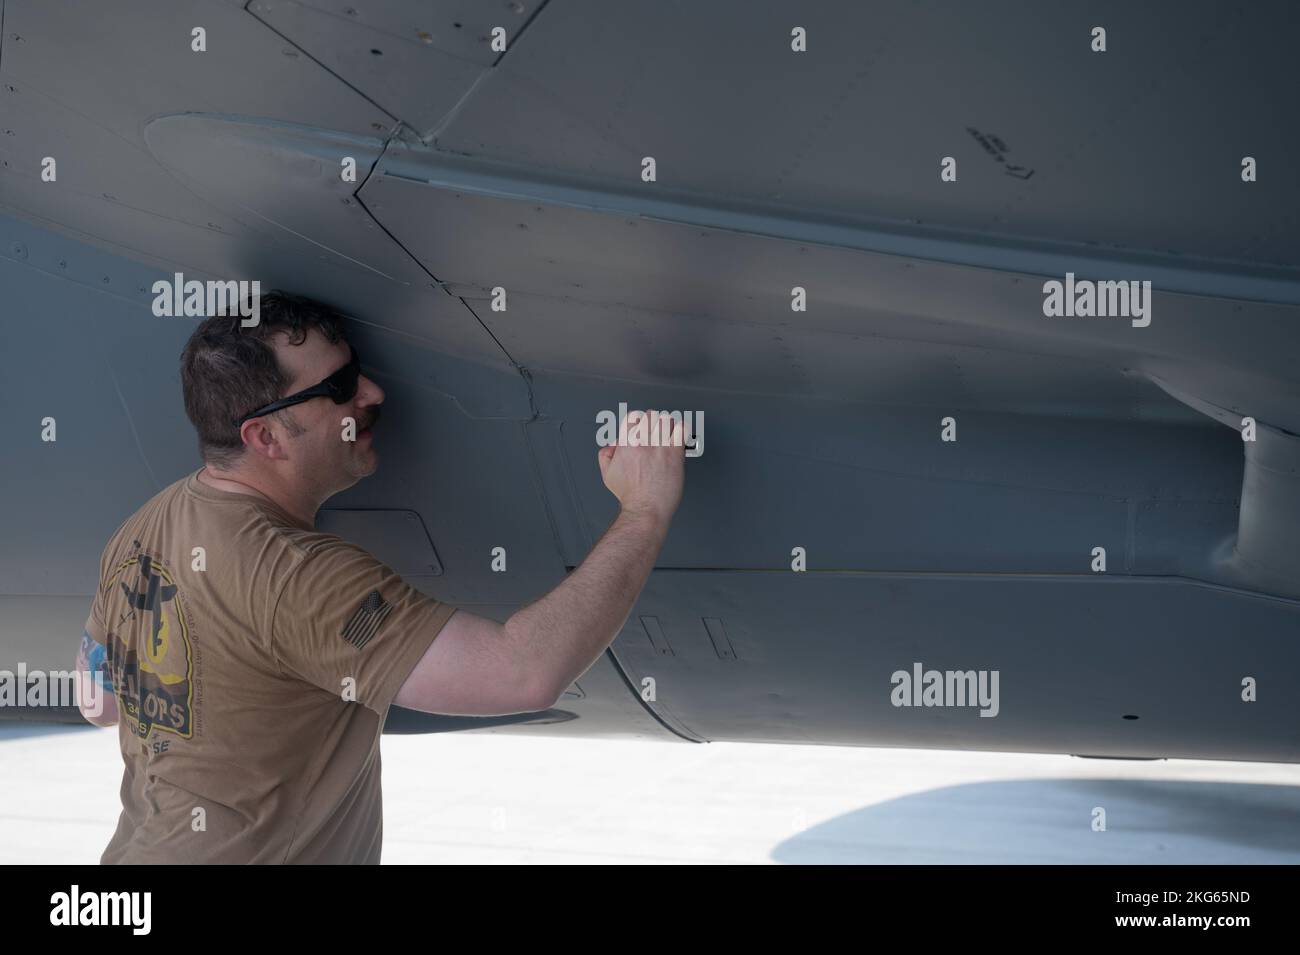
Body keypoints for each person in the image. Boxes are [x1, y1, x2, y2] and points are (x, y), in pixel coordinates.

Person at [76, 291, 685, 863]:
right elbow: (522, 674)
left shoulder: (140, 530)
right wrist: (644, 510)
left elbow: (98, 701)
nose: (371, 393)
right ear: (264, 436)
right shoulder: (298, 576)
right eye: (338, 388)